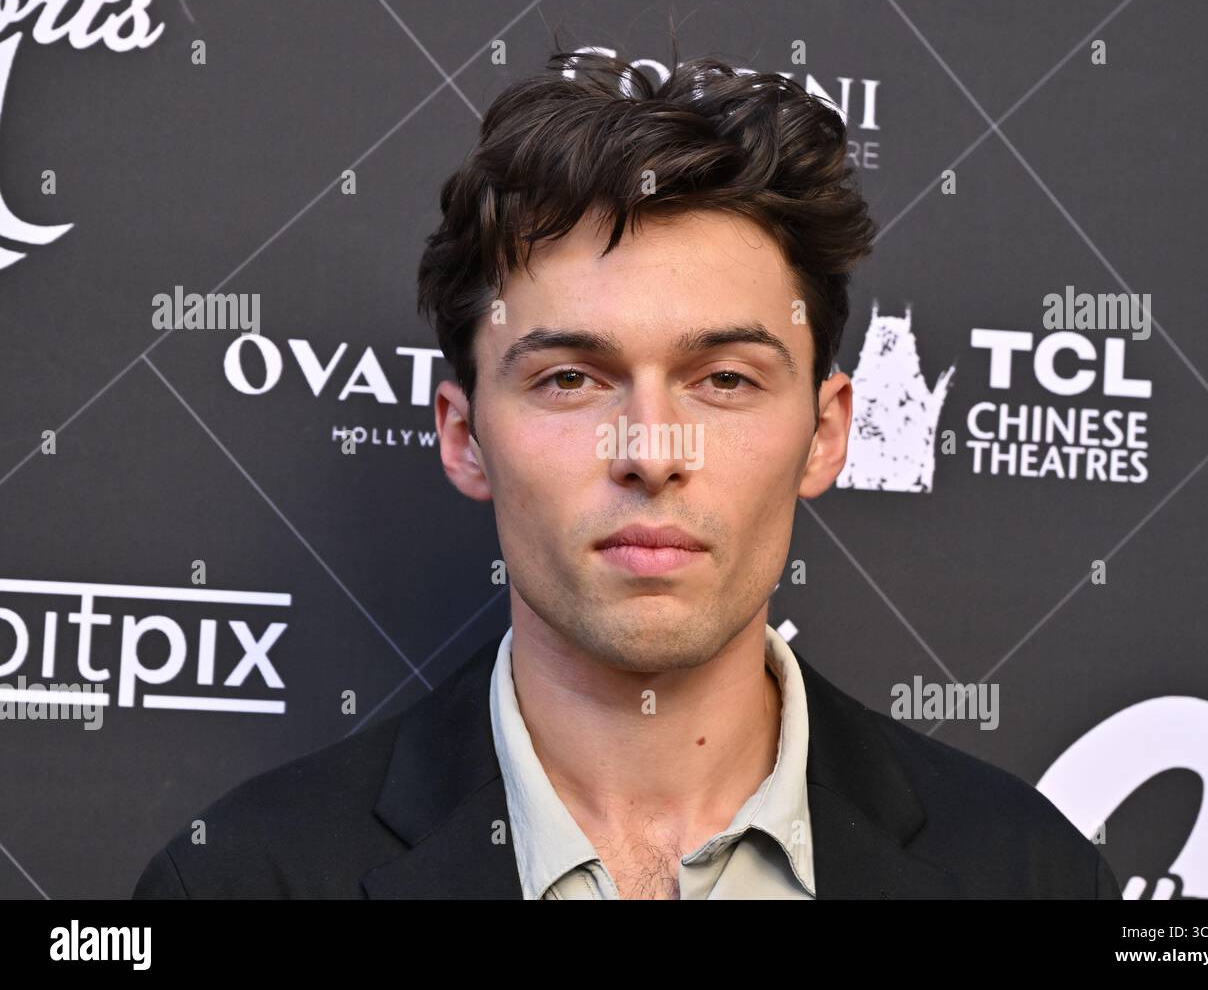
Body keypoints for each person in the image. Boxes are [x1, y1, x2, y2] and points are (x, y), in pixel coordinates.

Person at [134, 44, 1121, 900]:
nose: (653, 450)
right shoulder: (238, 880)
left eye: (723, 379)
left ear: (824, 435)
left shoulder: (1028, 874)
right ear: (464, 434)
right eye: (571, 378)